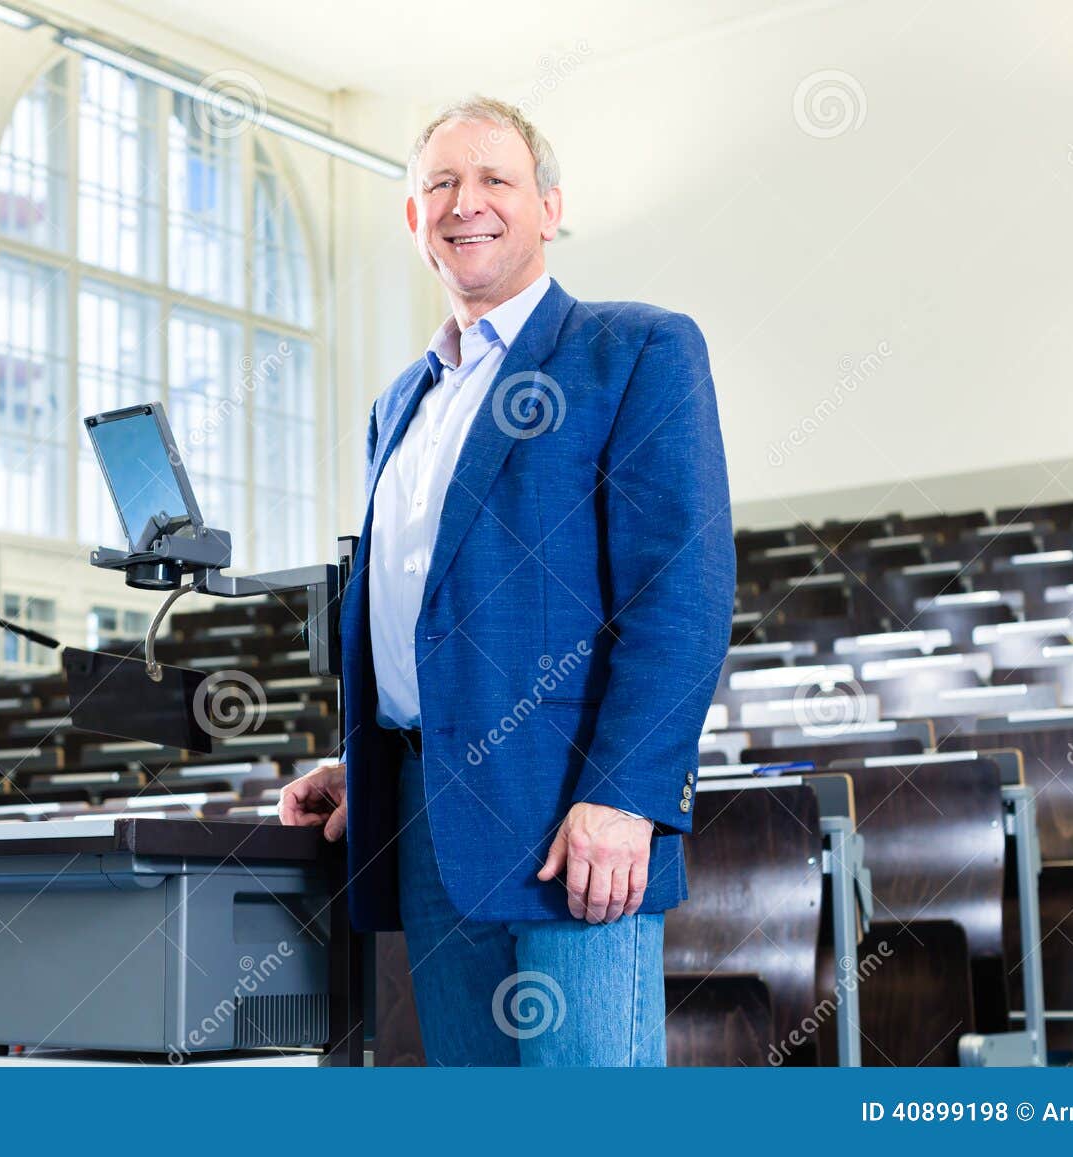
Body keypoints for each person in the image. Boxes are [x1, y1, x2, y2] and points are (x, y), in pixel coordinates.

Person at [279, 96, 734, 1066]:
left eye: (495, 179)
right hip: (424, 815)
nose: (464, 203)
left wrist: (628, 796)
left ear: (548, 207)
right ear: (413, 218)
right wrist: (362, 759)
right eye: (439, 183)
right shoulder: (397, 405)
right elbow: (420, 612)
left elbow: (680, 599)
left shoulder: (635, 350)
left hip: (572, 820)